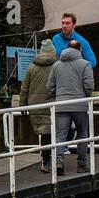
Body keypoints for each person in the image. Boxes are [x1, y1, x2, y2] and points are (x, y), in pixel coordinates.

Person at [47, 38, 94, 173]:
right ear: (79, 50)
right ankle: (81, 164)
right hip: (80, 105)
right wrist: (85, 98)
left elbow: (49, 86)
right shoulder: (85, 65)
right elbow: (89, 86)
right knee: (82, 134)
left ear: (67, 48)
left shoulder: (56, 65)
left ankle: (59, 161)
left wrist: (59, 96)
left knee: (60, 135)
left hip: (61, 105)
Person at [21, 39, 59, 173]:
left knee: (44, 134)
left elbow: (24, 88)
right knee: (56, 132)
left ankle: (46, 160)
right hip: (52, 104)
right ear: (53, 51)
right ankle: (53, 160)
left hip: (34, 105)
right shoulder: (57, 65)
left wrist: (22, 105)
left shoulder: (31, 67)